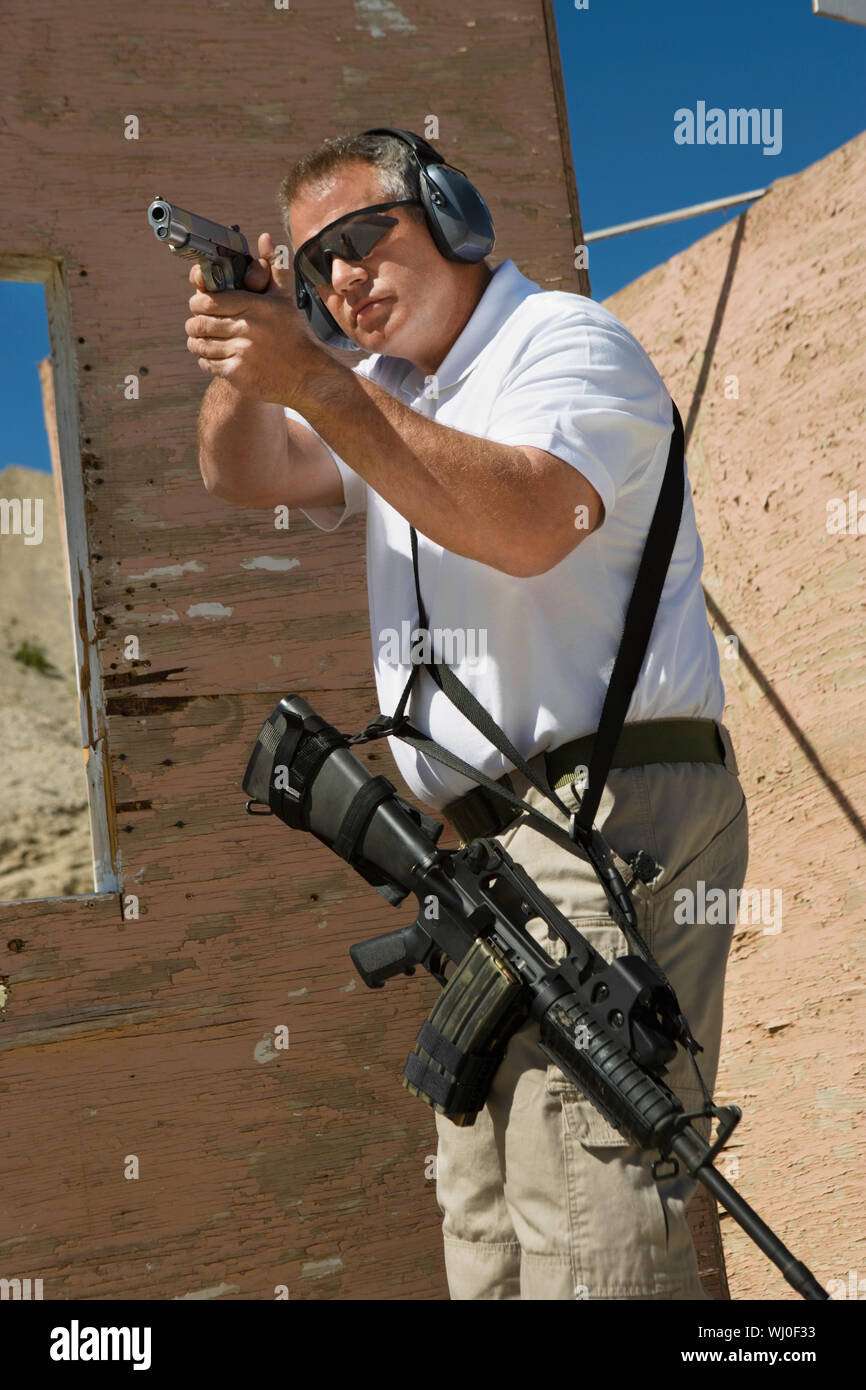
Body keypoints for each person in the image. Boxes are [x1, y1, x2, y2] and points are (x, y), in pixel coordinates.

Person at [187, 129, 749, 1300]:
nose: (339, 280)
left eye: (359, 238)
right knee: (487, 1223)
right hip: (497, 845)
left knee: (587, 1210)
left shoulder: (566, 343)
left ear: (449, 212)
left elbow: (532, 520)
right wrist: (252, 361)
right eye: (308, 269)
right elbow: (241, 473)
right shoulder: (389, 393)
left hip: (608, 805)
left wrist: (318, 379)